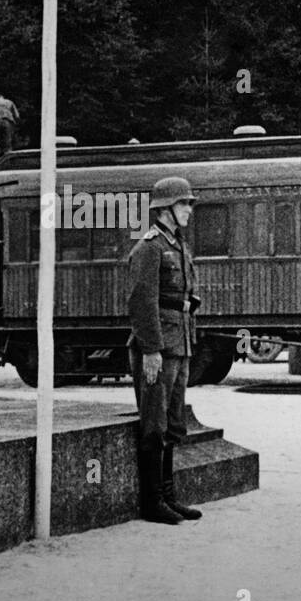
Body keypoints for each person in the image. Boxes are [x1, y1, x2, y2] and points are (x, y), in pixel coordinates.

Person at [127, 176, 203, 524]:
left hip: (180, 340)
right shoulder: (150, 246)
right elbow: (142, 301)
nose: (189, 209)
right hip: (160, 346)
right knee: (154, 423)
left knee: (173, 422)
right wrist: (151, 350)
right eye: (184, 203)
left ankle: (169, 497)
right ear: (166, 208)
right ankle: (152, 502)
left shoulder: (178, 245)